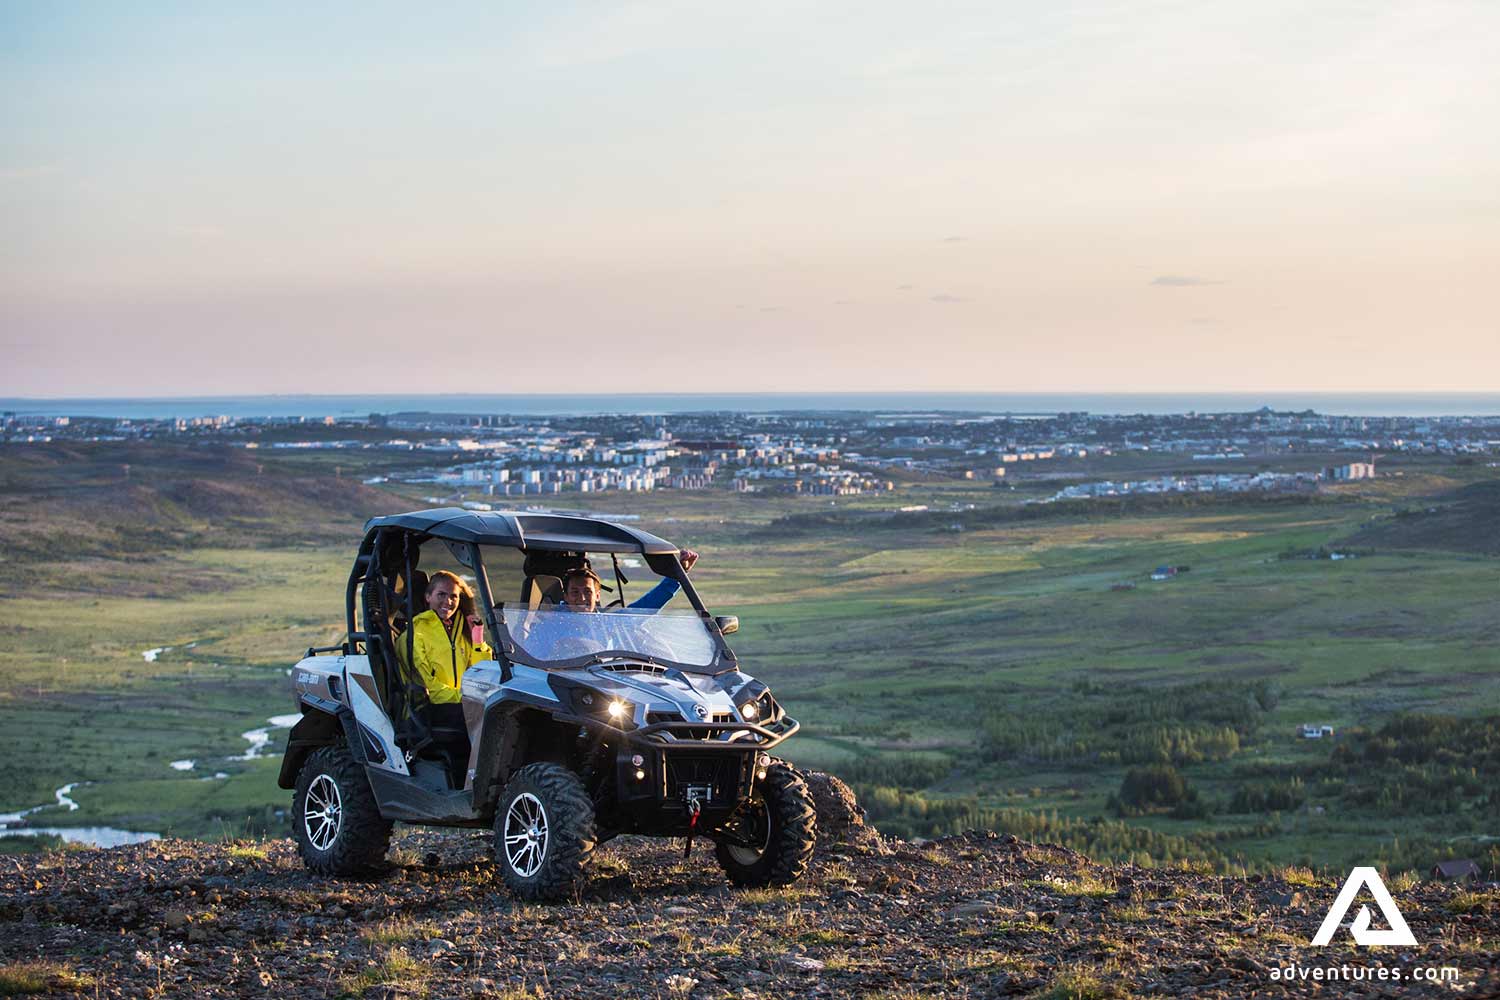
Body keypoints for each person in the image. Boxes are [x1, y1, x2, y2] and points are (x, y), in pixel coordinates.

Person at [400, 570, 491, 726]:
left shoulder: (461, 632)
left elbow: (482, 674)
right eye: (441, 595)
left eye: (453, 596)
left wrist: (477, 641)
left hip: (458, 703)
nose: (448, 601)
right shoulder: (415, 634)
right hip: (425, 710)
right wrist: (465, 697)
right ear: (428, 597)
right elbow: (430, 689)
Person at [560, 549, 699, 613]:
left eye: (587, 592)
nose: (582, 598)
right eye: (575, 592)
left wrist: (678, 574)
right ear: (565, 596)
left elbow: (647, 606)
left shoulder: (606, 624)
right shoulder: (552, 623)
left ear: (597, 596)